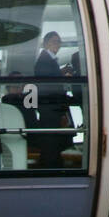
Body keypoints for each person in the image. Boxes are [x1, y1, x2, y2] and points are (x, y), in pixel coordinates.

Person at [34, 31, 73, 168]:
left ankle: (50, 166)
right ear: (45, 43)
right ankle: (52, 168)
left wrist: (60, 73)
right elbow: (51, 87)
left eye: (59, 42)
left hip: (49, 110)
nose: (58, 45)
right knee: (52, 144)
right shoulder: (45, 61)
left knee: (52, 144)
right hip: (52, 110)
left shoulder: (47, 61)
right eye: (54, 41)